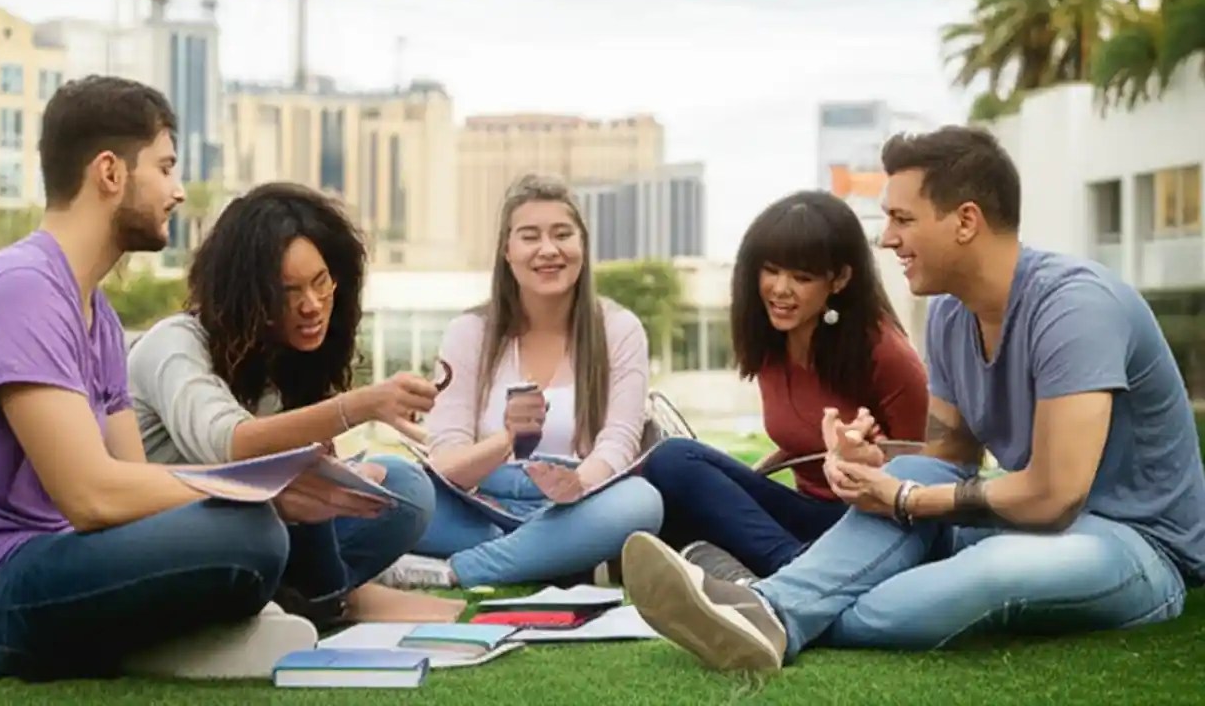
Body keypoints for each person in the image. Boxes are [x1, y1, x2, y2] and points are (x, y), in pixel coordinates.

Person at [622, 125, 1205, 671]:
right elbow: (947, 454)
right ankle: (769, 610)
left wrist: (904, 496)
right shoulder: (952, 314)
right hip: (1024, 524)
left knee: (989, 568)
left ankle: (769, 604)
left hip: (1136, 546)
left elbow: (1055, 495)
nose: (887, 238)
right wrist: (875, 463)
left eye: (902, 218)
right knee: (915, 473)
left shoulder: (1075, 308)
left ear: (965, 221)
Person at [0, 76, 381, 680]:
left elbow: (136, 482)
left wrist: (274, 483)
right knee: (251, 536)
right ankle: (165, 637)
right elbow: (91, 497)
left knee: (284, 516)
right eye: (165, 168)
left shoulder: (100, 319)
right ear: (110, 173)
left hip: (42, 564)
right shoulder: (21, 292)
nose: (178, 191)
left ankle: (163, 635)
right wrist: (248, 488)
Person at [126, 181, 464, 624]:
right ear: (246, 295)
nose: (311, 306)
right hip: (180, 530)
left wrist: (342, 474)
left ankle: (313, 599)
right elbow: (230, 445)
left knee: (406, 490)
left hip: (266, 519)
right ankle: (335, 601)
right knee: (276, 513)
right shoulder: (176, 344)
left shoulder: (287, 356)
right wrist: (362, 405)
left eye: (321, 283)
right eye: (287, 292)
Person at [388, 173, 664, 588]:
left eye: (562, 234)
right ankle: (551, 553)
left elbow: (620, 441)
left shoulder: (619, 329)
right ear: (507, 250)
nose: (548, 250)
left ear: (582, 246)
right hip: (477, 502)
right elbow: (447, 462)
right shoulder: (469, 332)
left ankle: (455, 571)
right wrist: (506, 440)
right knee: (383, 480)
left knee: (642, 503)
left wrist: (579, 485)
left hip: (578, 503)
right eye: (530, 237)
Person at [642, 191, 928, 585]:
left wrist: (870, 458)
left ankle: (793, 577)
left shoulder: (884, 353)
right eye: (771, 270)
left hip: (870, 527)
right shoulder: (773, 341)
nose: (780, 288)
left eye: (802, 277)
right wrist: (745, 483)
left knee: (684, 495)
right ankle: (782, 569)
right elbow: (803, 437)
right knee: (672, 462)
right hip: (805, 518)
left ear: (840, 279)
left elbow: (929, 468)